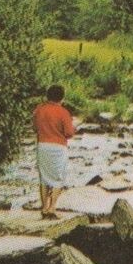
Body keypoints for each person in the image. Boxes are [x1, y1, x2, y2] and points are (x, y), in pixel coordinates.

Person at [33, 85, 76, 220]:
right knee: (58, 178)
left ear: (47, 96)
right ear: (62, 97)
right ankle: (52, 208)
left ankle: (44, 208)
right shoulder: (64, 112)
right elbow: (69, 133)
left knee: (44, 177)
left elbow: (34, 127)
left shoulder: (39, 110)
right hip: (58, 147)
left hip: (43, 145)